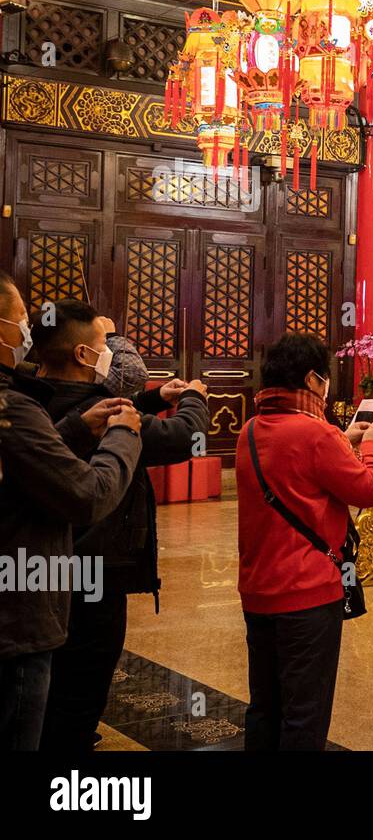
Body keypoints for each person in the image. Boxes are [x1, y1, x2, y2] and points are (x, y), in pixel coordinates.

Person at [31, 299, 210, 751]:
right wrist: (193, 398)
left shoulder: (30, 400)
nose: (108, 352)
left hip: (41, 563)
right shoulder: (98, 413)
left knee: (50, 671)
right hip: (96, 566)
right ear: (83, 356)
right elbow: (181, 438)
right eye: (101, 343)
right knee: (85, 674)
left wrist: (153, 398)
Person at [0, 271, 142, 750]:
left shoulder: (24, 403)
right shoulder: (13, 406)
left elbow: (31, 463)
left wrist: (77, 430)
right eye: (20, 320)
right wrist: (125, 432)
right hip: (17, 613)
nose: (26, 333)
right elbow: (87, 495)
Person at [234, 333, 373, 750]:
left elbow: (298, 467)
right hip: (306, 595)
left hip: (258, 590)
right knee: (305, 711)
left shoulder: (250, 429)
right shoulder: (316, 435)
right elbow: (369, 490)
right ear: (311, 380)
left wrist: (345, 442)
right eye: (324, 378)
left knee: (264, 705)